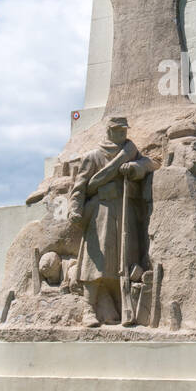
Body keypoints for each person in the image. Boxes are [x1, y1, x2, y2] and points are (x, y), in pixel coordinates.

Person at [67, 116, 155, 325]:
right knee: (95, 261)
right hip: (101, 211)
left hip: (125, 211)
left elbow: (151, 164)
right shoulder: (93, 156)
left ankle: (120, 306)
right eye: (117, 130)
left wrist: (136, 167)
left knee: (124, 260)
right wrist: (74, 210)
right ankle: (89, 309)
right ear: (109, 131)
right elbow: (79, 188)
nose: (122, 134)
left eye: (124, 130)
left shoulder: (131, 152)